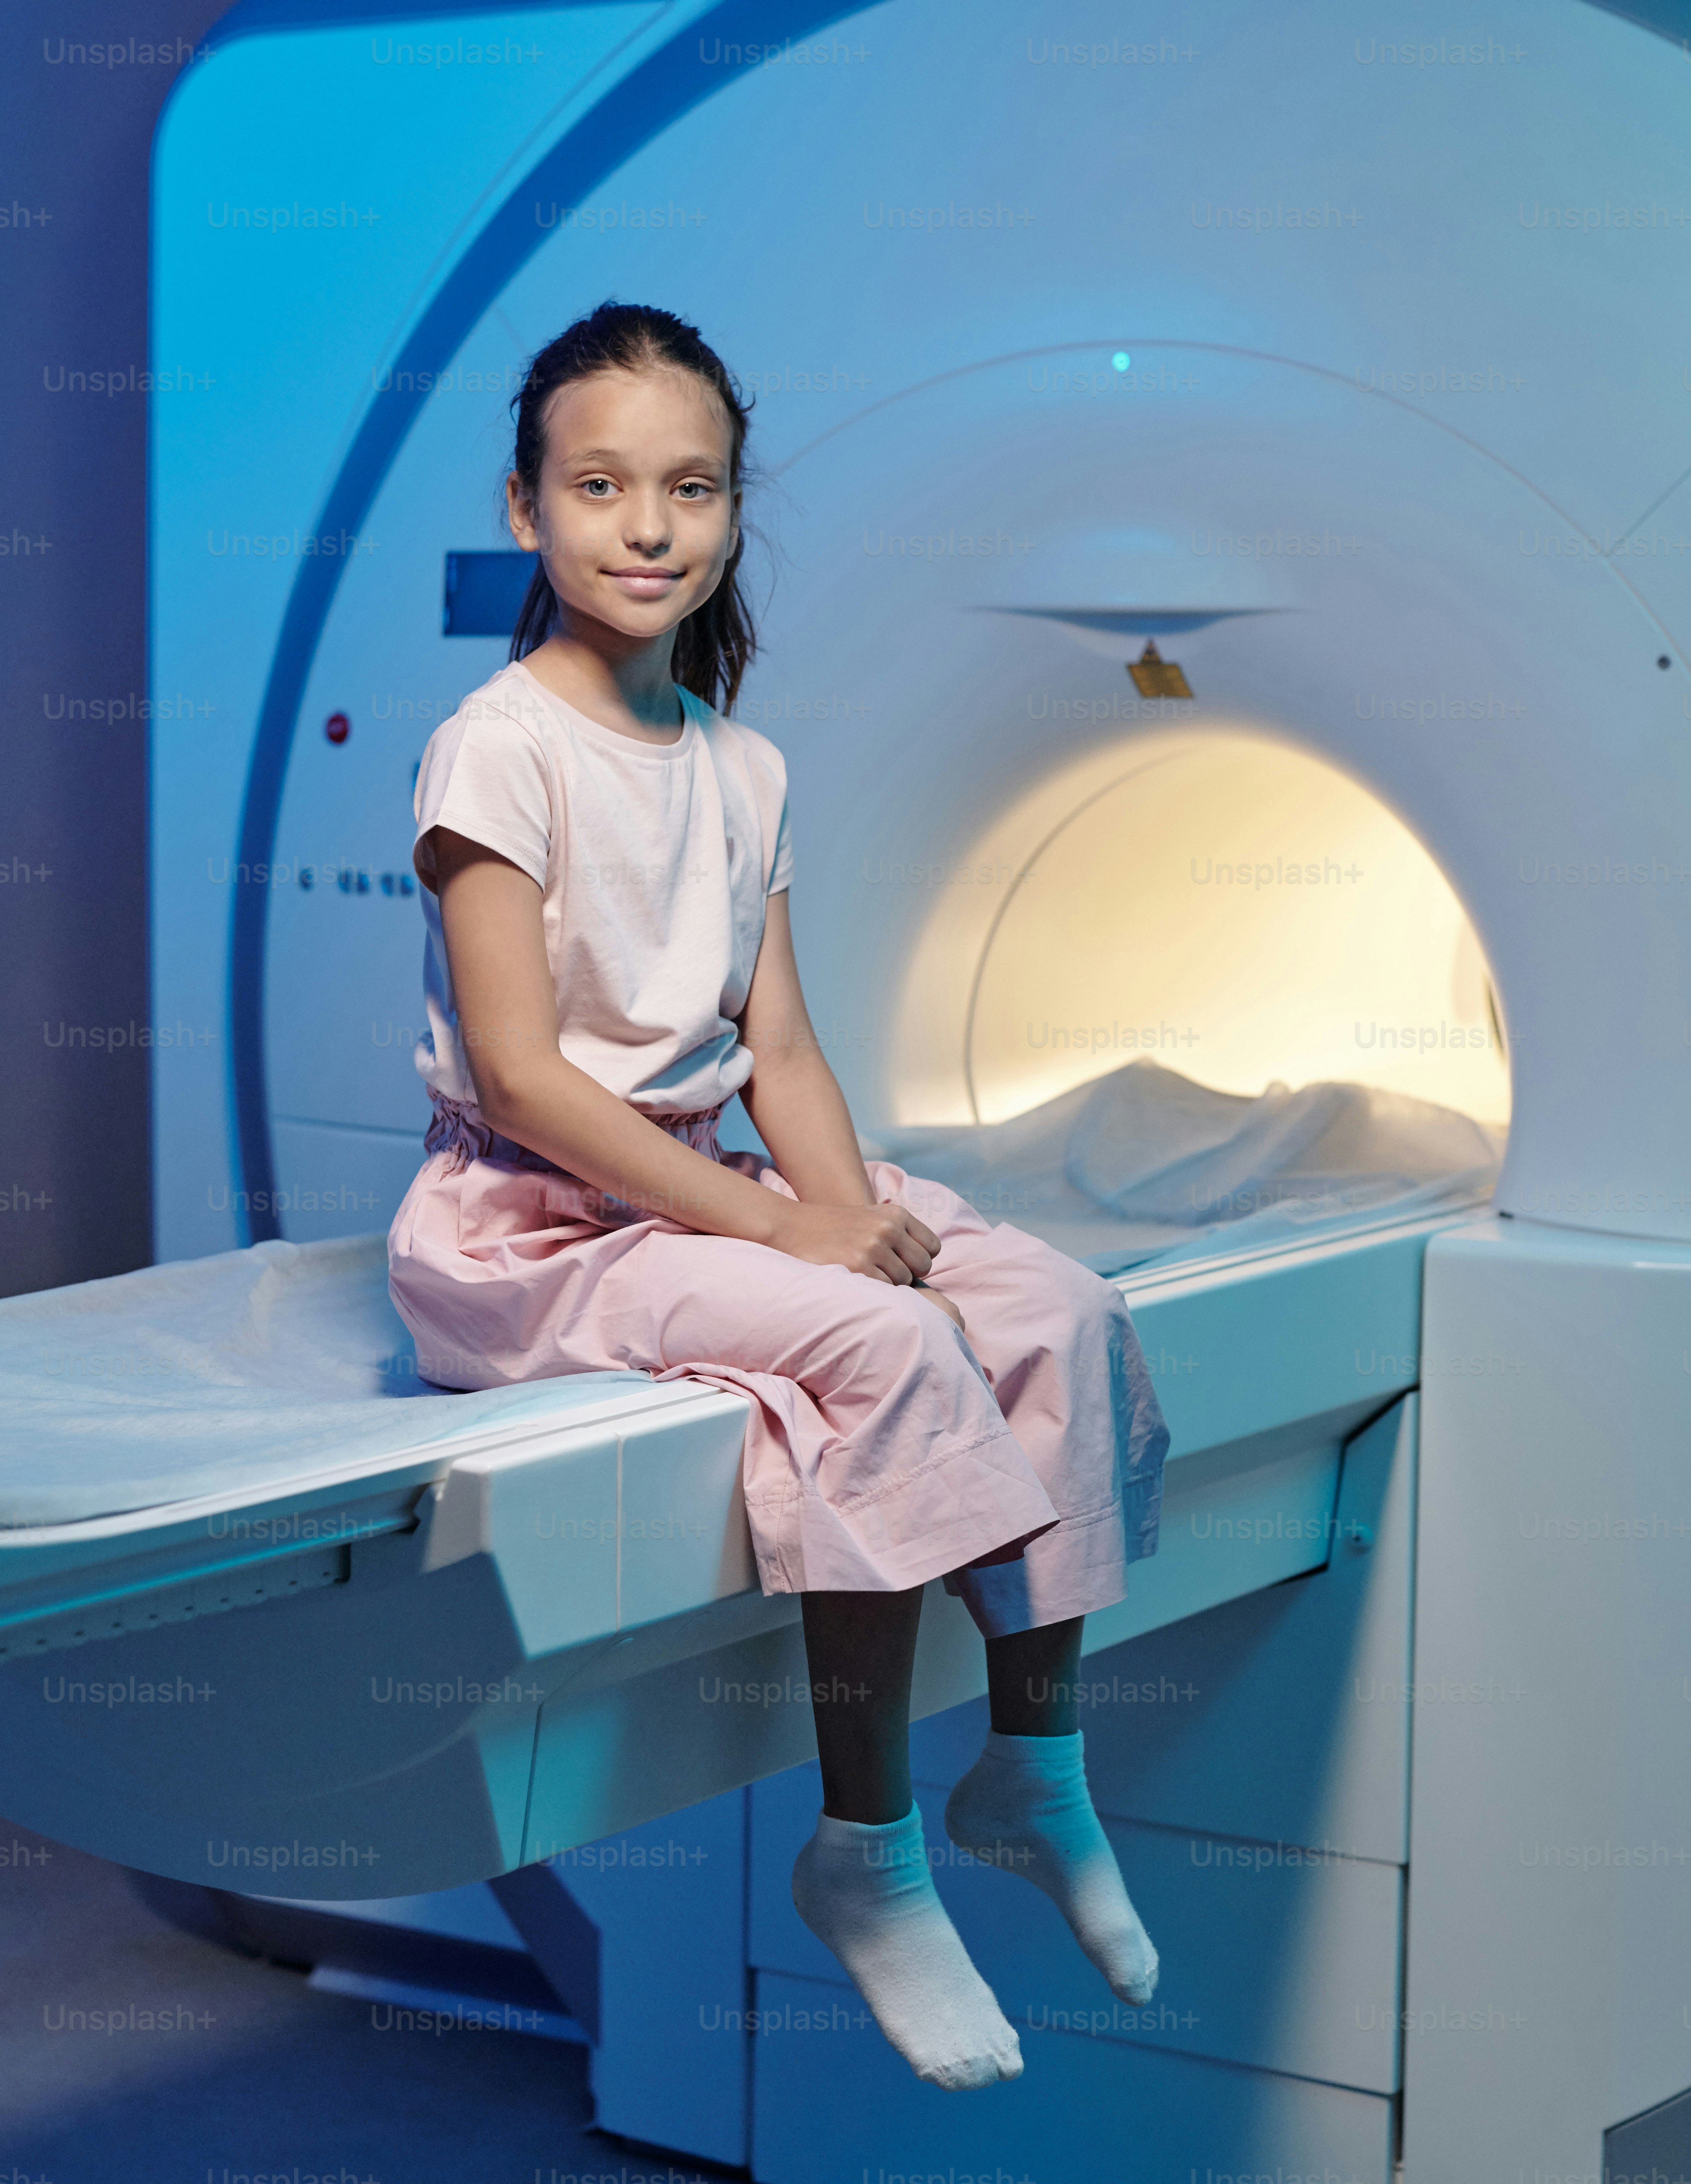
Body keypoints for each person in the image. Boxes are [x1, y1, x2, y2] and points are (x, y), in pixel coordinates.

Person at [387, 300, 1171, 2090]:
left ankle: (1036, 1770)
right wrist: (793, 1241)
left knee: (1050, 1307)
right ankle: (866, 1853)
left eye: (692, 488)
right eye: (600, 486)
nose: (647, 526)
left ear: (734, 512)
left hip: (698, 1184)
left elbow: (784, 1046)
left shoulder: (746, 770)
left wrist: (857, 1225)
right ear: (526, 507)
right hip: (536, 1224)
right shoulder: (497, 747)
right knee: (881, 1352)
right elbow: (521, 1076)